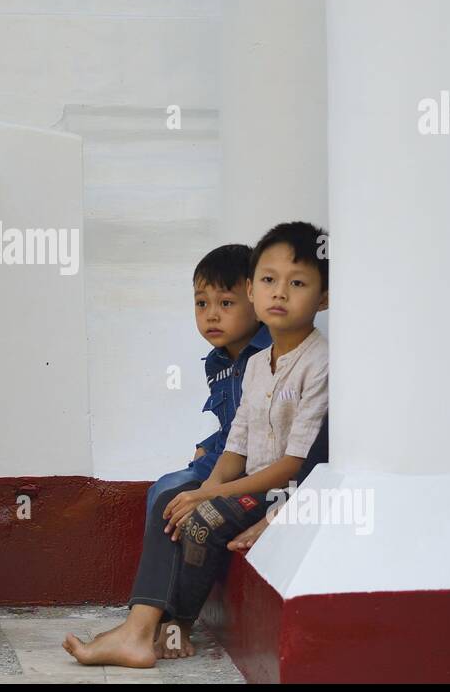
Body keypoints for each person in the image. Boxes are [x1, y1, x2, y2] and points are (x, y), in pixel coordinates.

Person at [64, 222, 329, 668]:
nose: (279, 293)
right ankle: (140, 628)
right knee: (172, 498)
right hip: (247, 480)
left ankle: (169, 624)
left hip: (284, 490)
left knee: (199, 516)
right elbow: (236, 446)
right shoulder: (260, 364)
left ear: (322, 297)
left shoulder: (317, 362)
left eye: (297, 283)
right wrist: (205, 479)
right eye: (268, 281)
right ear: (254, 287)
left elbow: (291, 465)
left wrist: (207, 491)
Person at [143, 243, 271, 657]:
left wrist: (213, 464)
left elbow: (258, 435)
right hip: (225, 460)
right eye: (202, 303)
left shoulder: (268, 356)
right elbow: (230, 424)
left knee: (173, 497)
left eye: (226, 302)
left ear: (255, 300)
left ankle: (169, 619)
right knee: (165, 491)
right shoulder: (218, 361)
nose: (211, 314)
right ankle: (152, 613)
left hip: (255, 471)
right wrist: (207, 446)